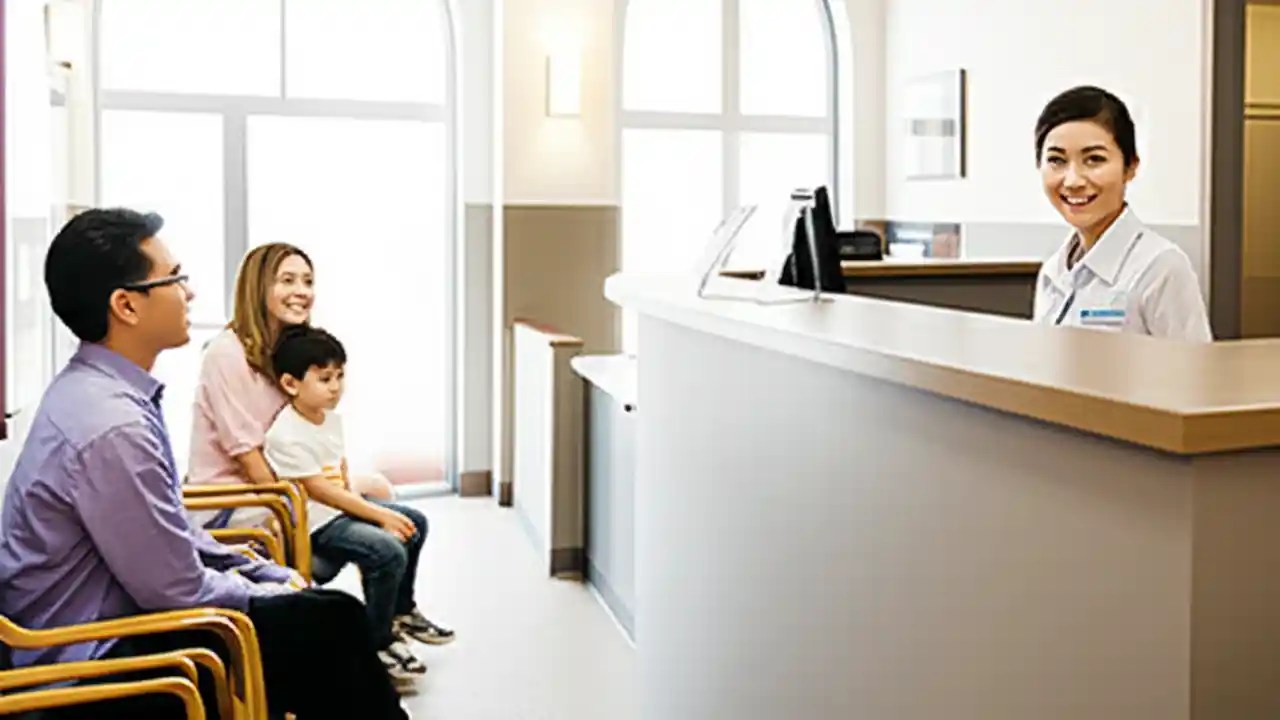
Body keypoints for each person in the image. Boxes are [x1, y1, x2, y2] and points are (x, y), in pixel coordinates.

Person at [0, 208, 409, 719]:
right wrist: (264, 588)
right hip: (91, 657)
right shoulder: (112, 426)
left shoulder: (104, 393)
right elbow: (173, 588)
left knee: (320, 621)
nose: (188, 293)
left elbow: (172, 537)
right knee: (330, 625)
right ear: (125, 305)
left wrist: (261, 572)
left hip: (114, 618)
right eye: (175, 278)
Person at [263, 324, 454, 683]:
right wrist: (377, 514)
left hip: (340, 511)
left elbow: (341, 474)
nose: (335, 387)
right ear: (291, 384)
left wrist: (373, 510)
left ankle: (401, 612)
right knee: (388, 551)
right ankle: (374, 644)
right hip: (318, 524)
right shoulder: (285, 434)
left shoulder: (328, 419)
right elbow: (321, 491)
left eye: (339, 376)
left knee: (415, 523)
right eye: (324, 378)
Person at [186, 242, 394, 526]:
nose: (302, 291)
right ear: (258, 287)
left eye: (308, 282)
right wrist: (297, 509)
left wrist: (336, 487)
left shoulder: (290, 350)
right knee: (373, 529)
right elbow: (248, 455)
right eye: (288, 280)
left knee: (379, 488)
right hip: (235, 500)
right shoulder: (225, 353)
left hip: (288, 482)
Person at [1031, 85, 1212, 342]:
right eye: (1057, 161)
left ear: (1130, 167)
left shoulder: (1161, 268)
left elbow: (1197, 375)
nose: (1072, 181)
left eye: (1094, 159)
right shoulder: (1053, 272)